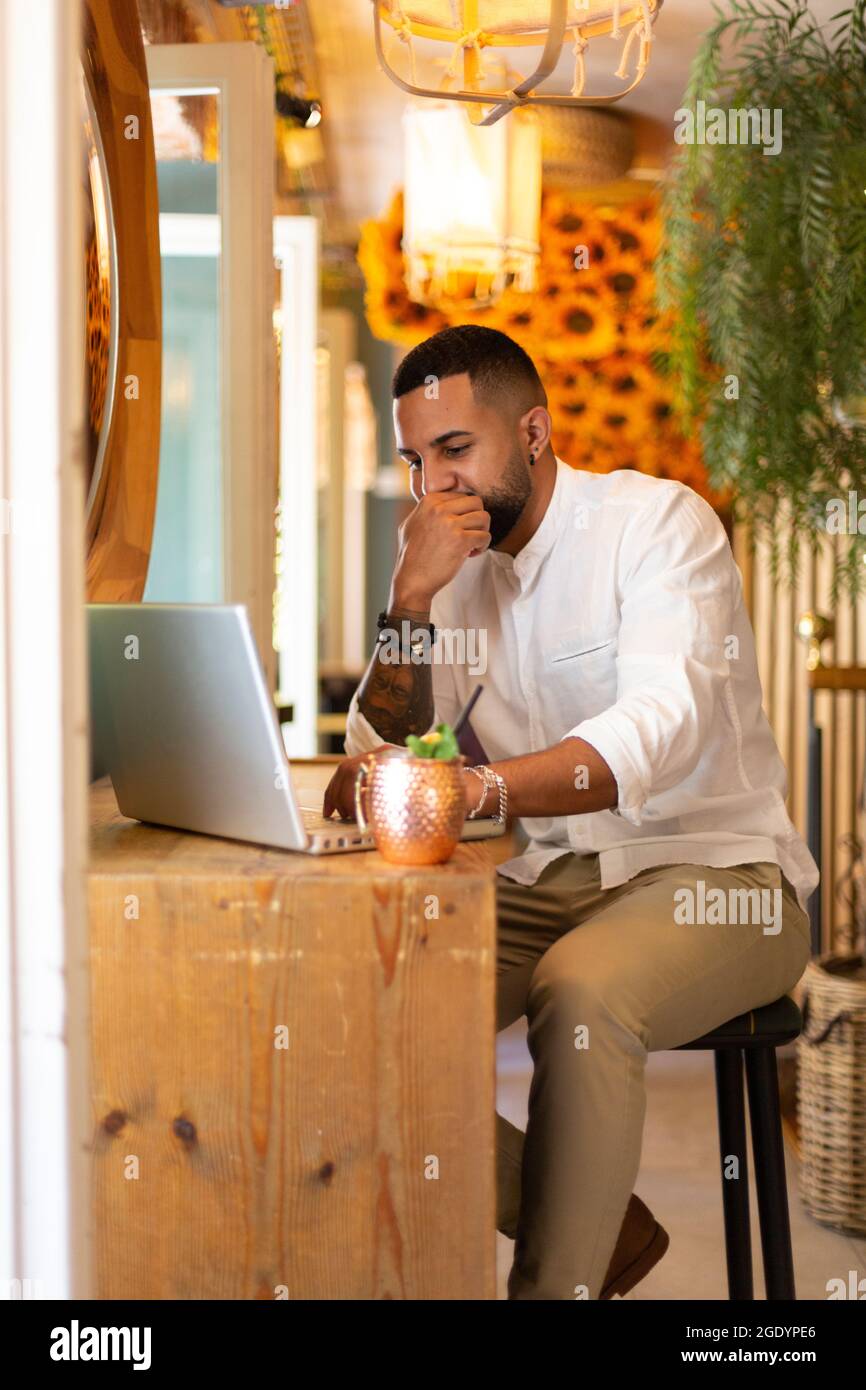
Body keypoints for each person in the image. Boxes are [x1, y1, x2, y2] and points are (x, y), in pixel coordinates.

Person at [325, 324, 818, 1300]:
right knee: (350, 1004)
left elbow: (656, 732)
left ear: (535, 433)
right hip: (539, 877)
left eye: (455, 450)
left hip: (720, 878)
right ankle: (597, 1222)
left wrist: (479, 788)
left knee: (580, 988)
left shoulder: (656, 526)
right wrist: (408, 599)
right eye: (415, 460)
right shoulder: (444, 578)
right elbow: (366, 762)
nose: (433, 486)